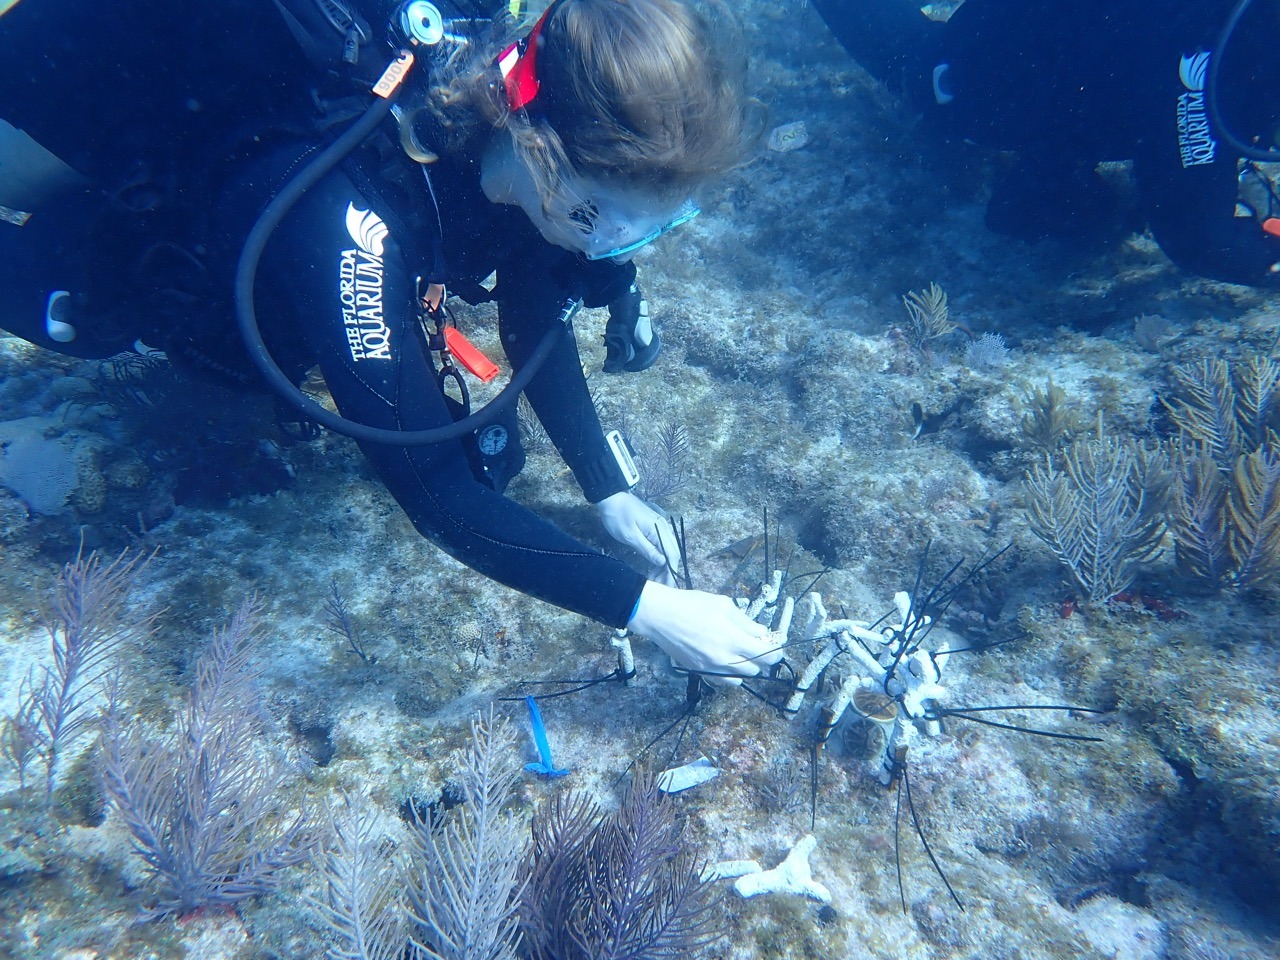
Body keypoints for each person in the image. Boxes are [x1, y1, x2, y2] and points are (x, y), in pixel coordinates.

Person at [0, 0, 782, 683]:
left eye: (655, 225)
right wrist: (651, 610)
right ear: (541, 153)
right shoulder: (343, 210)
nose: (614, 250)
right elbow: (440, 498)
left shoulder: (510, 132)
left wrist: (605, 487)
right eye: (607, 220)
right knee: (90, 314)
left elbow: (533, 307)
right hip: (71, 131)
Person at [810, 0, 1280, 286]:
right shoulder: (1206, 61)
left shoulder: (1235, 38)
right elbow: (1202, 240)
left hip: (1071, 61)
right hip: (981, 72)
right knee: (915, 67)